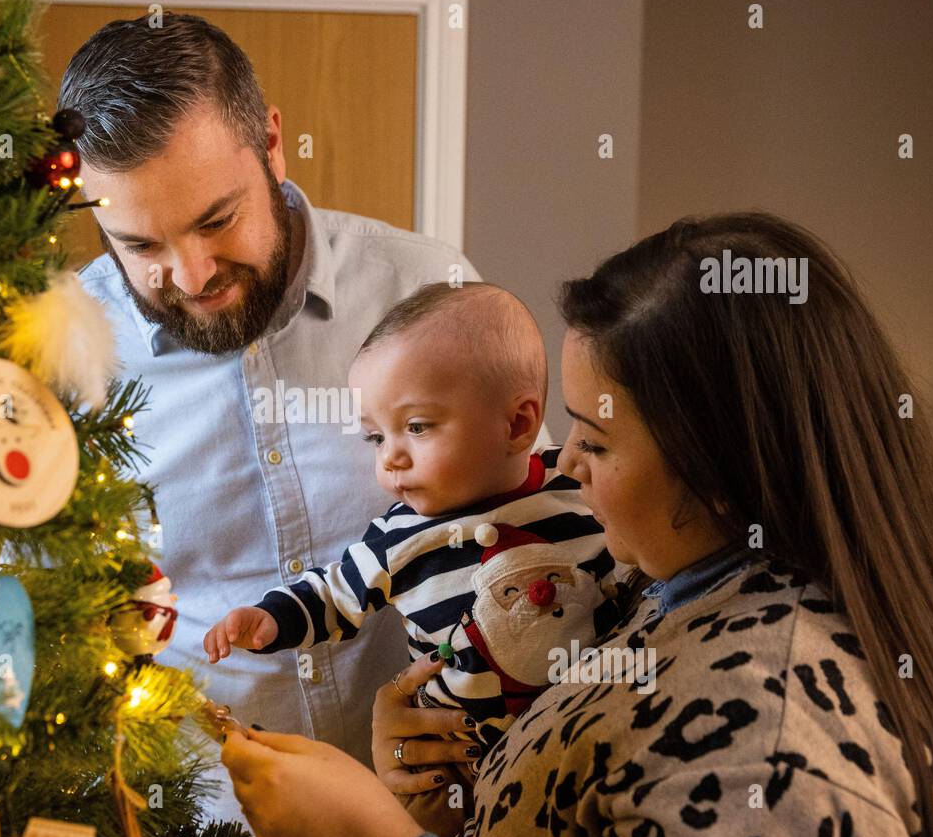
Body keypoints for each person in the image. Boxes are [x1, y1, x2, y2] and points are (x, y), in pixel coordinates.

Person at [221, 212, 933, 837]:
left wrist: (372, 834)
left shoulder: (768, 734)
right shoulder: (664, 587)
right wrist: (435, 808)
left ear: (716, 470)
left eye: (596, 442)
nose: (565, 462)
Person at [59, 13, 549, 825]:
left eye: (218, 220)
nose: (191, 274)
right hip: (196, 818)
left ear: (273, 143)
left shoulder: (428, 290)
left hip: (439, 815)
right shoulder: (69, 352)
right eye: (141, 245)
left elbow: (534, 520)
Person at [204, 282, 623, 765]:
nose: (391, 458)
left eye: (417, 427)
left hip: (594, 729)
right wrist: (272, 619)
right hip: (465, 765)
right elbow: (333, 596)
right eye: (375, 437)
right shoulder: (395, 538)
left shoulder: (575, 483)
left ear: (517, 425)